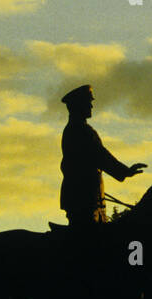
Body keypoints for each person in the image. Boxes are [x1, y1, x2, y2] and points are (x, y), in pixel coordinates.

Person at [59, 84, 146, 228]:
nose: (91, 107)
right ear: (79, 105)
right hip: (83, 202)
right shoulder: (80, 130)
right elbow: (100, 156)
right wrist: (125, 171)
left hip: (90, 201)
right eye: (88, 103)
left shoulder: (78, 129)